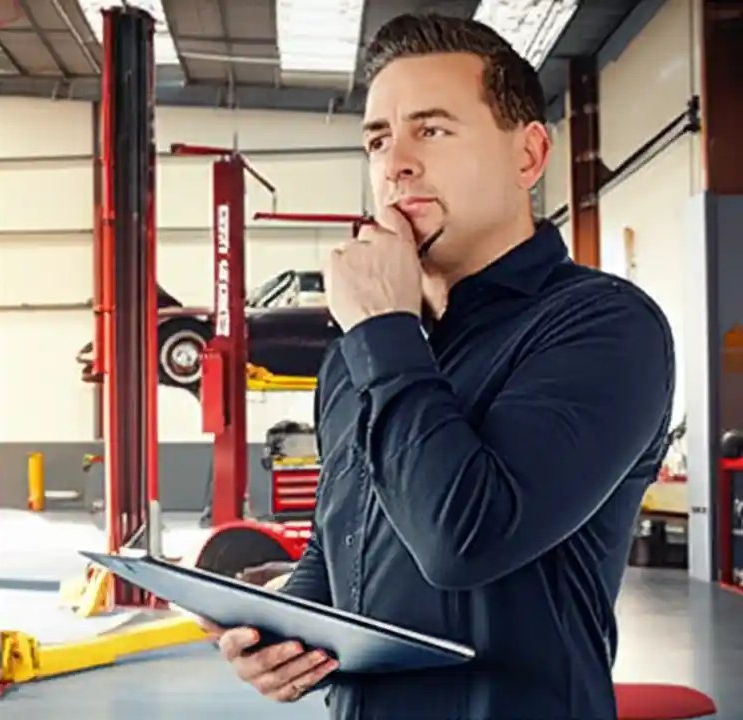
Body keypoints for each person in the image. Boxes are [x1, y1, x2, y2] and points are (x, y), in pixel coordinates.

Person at [197, 13, 675, 720]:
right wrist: (279, 630)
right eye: (379, 139)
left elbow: (465, 540)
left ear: (529, 156)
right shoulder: (361, 351)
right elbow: (340, 555)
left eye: (433, 130)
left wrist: (386, 330)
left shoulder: (603, 327)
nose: (396, 164)